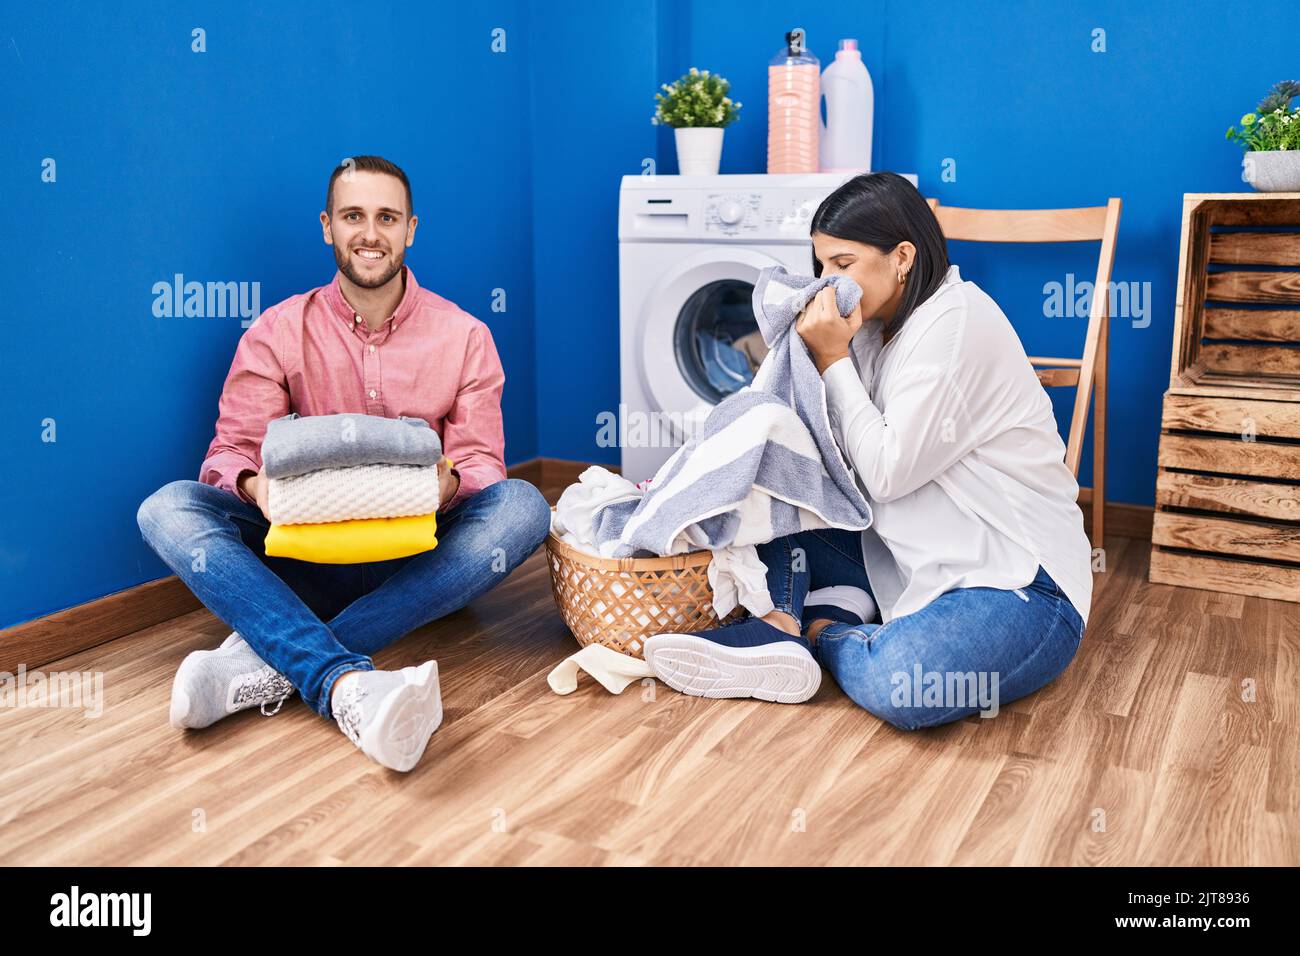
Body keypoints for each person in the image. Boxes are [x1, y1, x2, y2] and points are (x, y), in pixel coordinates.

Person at [136, 155, 551, 771]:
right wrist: (257, 488)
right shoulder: (276, 332)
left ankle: (265, 662)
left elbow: (482, 461)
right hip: (303, 555)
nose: (370, 233)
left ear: (411, 229)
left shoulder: (465, 337)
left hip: (419, 558)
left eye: (387, 217)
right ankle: (341, 681)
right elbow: (230, 454)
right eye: (353, 216)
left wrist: (450, 482)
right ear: (328, 226)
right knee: (166, 508)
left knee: (525, 506)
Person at [643, 172, 1092, 730]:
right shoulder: (877, 326)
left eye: (843, 263)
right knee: (766, 503)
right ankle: (782, 624)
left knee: (902, 684)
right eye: (822, 265)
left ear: (902, 257)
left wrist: (832, 360)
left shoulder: (955, 328)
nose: (828, 283)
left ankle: (823, 629)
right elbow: (827, 453)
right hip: (907, 551)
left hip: (1018, 581)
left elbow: (882, 474)